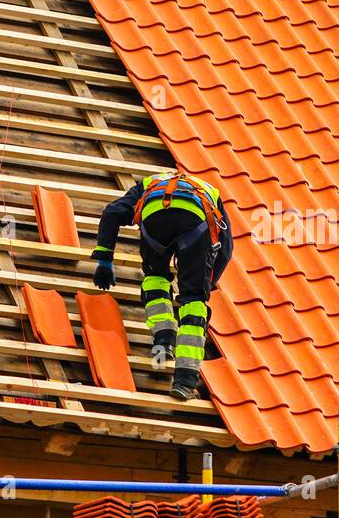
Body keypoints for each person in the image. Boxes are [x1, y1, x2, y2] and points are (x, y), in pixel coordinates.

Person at [92, 166, 234, 400]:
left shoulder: (148, 184)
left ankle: (164, 340)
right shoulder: (211, 193)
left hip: (154, 219)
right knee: (193, 301)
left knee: (155, 278)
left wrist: (105, 260)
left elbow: (111, 213)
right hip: (195, 224)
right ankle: (186, 379)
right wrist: (206, 282)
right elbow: (226, 251)